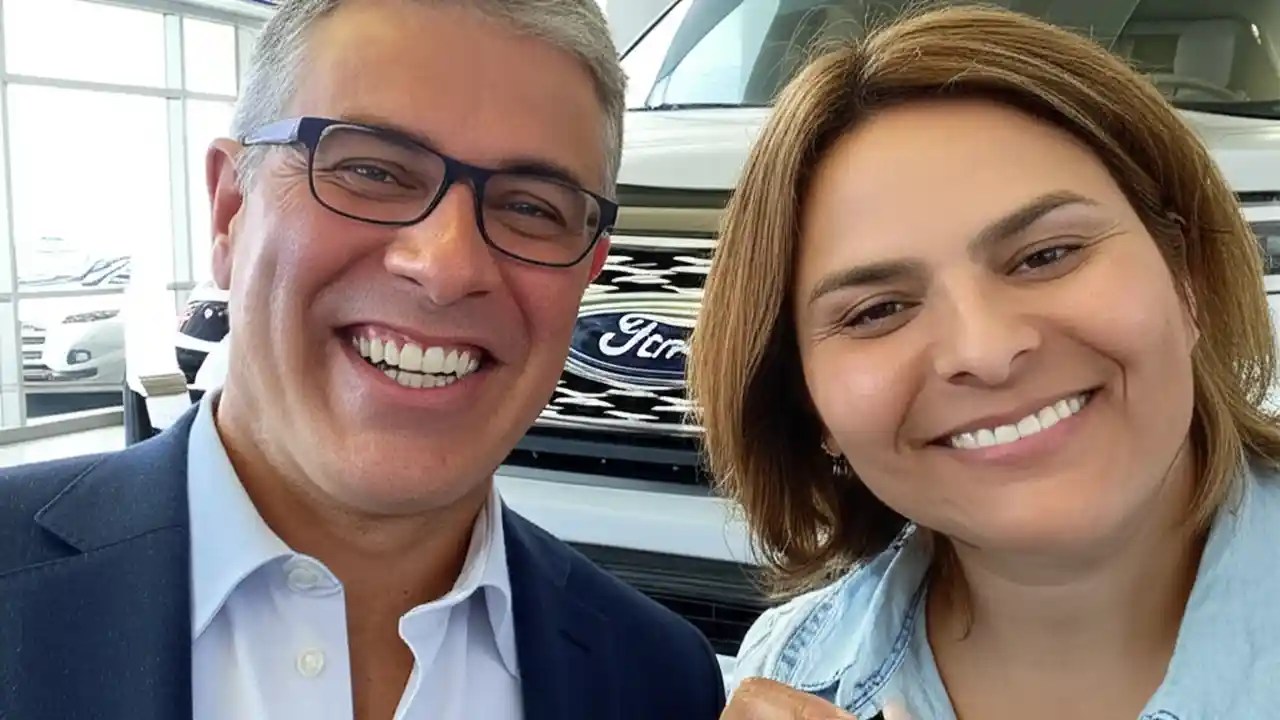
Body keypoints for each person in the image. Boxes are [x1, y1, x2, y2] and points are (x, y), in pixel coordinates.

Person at [0, 1, 726, 719]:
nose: (444, 268)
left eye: (532, 208)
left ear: (588, 271)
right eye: (373, 171)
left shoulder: (659, 682)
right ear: (229, 211)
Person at [688, 5, 1280, 719]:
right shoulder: (787, 672)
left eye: (1046, 255)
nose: (986, 353)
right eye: (878, 310)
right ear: (809, 402)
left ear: (1185, 278)